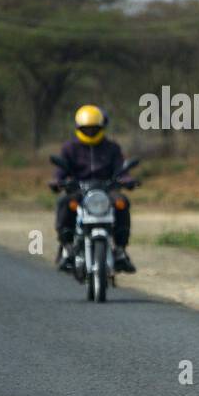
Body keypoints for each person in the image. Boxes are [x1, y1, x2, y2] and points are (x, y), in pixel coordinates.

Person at [52, 105, 137, 273]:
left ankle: (120, 250)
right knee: (65, 202)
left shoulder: (112, 148)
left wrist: (127, 180)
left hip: (106, 190)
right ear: (79, 128)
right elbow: (60, 171)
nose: (90, 132)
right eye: (86, 129)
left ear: (101, 128)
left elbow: (121, 169)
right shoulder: (70, 148)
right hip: (78, 190)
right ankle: (67, 248)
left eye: (94, 129)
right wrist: (57, 181)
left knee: (121, 202)